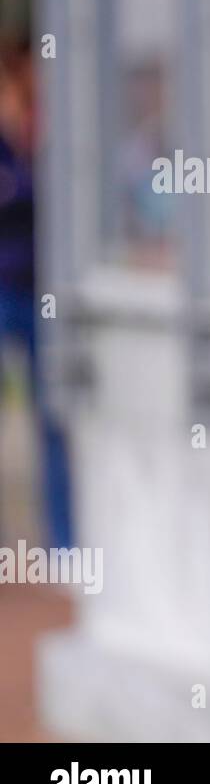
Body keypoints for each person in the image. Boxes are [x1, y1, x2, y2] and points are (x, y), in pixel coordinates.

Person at [0, 33, 74, 550]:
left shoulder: (49, 134)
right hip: (5, 288)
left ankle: (65, 541)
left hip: (41, 293)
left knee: (55, 414)